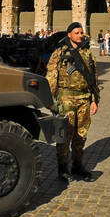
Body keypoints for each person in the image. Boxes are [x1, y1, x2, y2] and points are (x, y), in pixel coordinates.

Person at [45, 22, 100, 181]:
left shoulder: (87, 53)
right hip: (66, 98)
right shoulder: (59, 53)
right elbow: (51, 77)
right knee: (64, 135)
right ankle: (62, 168)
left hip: (84, 98)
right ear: (69, 34)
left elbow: (93, 78)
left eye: (82, 32)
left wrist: (94, 100)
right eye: (77, 32)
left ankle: (77, 165)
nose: (80, 35)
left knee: (81, 135)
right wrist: (51, 101)